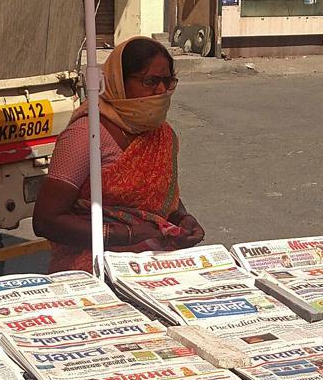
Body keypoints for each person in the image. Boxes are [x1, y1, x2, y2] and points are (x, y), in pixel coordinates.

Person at [33, 36, 205, 273]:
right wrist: (125, 235)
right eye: (150, 81)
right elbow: (46, 220)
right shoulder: (86, 134)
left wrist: (182, 219)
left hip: (154, 258)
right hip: (92, 261)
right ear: (119, 82)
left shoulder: (163, 134)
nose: (162, 91)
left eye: (168, 81)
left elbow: (159, 199)